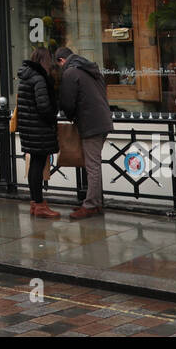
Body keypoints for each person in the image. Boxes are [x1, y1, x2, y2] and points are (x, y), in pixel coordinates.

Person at [55, 46, 113, 220]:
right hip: (102, 120)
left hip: (91, 123)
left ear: (61, 60)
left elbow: (68, 102)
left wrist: (69, 114)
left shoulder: (71, 73)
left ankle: (91, 206)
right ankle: (94, 201)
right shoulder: (88, 69)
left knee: (92, 165)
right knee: (93, 163)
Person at [17, 48, 61, 220]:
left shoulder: (26, 78)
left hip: (30, 128)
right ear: (45, 60)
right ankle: (39, 204)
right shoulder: (39, 79)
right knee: (38, 165)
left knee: (35, 164)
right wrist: (51, 118)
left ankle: (35, 203)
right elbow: (43, 106)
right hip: (39, 129)